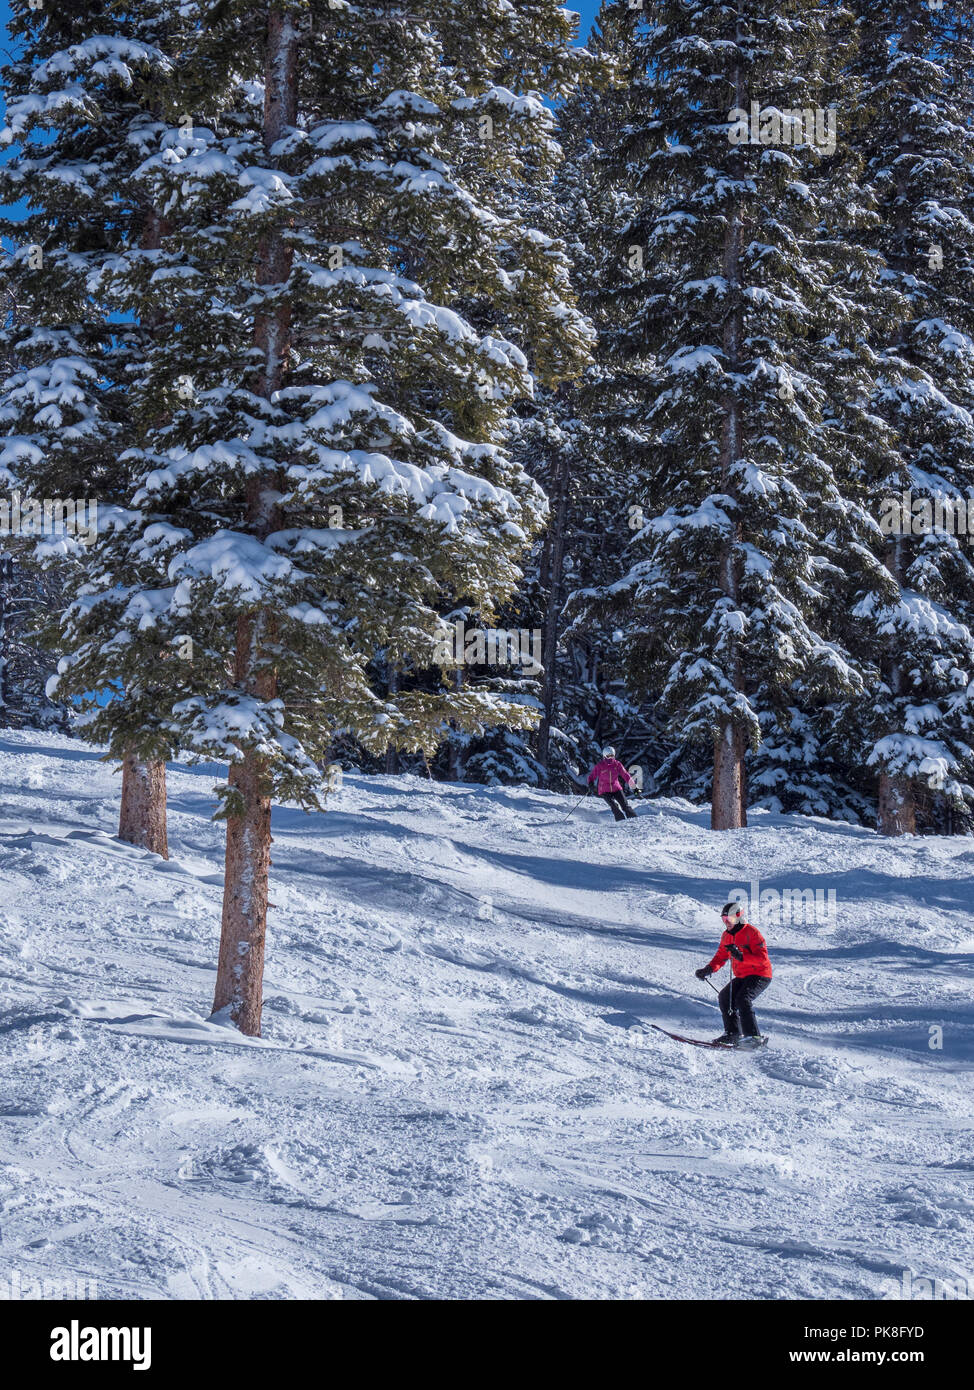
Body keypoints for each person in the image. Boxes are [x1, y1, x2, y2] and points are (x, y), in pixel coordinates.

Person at [695, 901, 772, 1047]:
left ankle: (754, 1037)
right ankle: (733, 1034)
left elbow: (762, 959)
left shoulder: (752, 933)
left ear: (738, 918)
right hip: (742, 976)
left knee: (743, 999)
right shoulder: (727, 936)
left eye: (729, 919)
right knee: (725, 997)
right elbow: (720, 957)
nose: (726, 923)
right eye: (724, 920)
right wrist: (708, 969)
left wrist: (742, 956)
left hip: (760, 975)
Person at [587, 746, 637, 821]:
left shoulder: (617, 764)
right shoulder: (600, 766)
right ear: (604, 756)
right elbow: (592, 776)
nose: (610, 758)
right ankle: (621, 822)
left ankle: (634, 820)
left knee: (625, 806)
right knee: (614, 807)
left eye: (612, 756)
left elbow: (626, 775)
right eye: (608, 756)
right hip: (604, 791)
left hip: (616, 788)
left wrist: (634, 787)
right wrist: (590, 783)